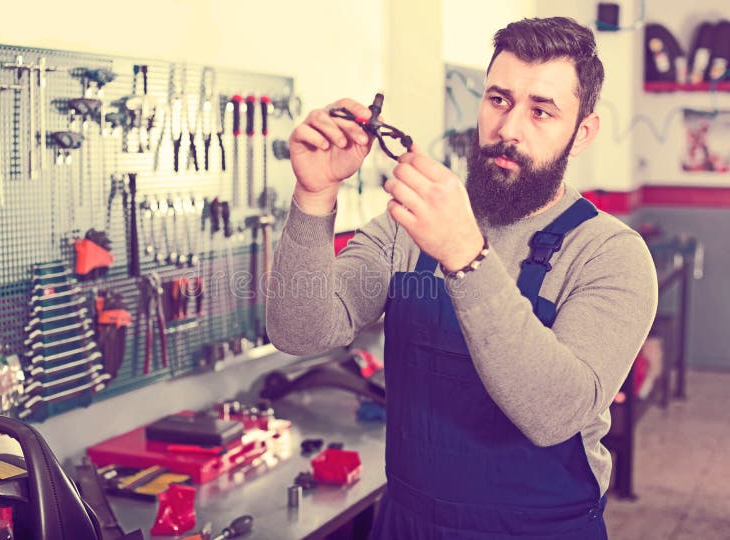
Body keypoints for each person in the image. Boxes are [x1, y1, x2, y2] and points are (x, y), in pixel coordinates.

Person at [266, 16, 658, 540]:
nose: (509, 128)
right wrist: (314, 197)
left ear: (582, 132)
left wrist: (465, 256)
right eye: (499, 100)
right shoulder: (406, 227)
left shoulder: (610, 255)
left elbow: (554, 414)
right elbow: (301, 332)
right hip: (407, 524)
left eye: (542, 111)